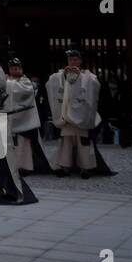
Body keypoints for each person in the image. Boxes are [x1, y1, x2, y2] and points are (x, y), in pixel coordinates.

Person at [47, 48, 111, 178]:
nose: (72, 62)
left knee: (83, 143)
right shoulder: (60, 75)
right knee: (66, 143)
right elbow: (51, 83)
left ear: (80, 61)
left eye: (75, 59)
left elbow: (94, 86)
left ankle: (85, 168)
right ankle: (64, 166)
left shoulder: (88, 76)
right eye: (70, 59)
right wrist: (64, 76)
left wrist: (80, 77)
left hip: (81, 115)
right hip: (66, 116)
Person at [5, 56, 52, 176]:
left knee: (23, 145)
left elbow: (24, 92)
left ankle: (24, 167)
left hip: (24, 120)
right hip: (10, 118)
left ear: (21, 69)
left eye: (17, 68)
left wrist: (8, 83)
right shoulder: (6, 81)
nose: (15, 71)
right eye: (12, 68)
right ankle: (11, 165)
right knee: (12, 145)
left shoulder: (25, 82)